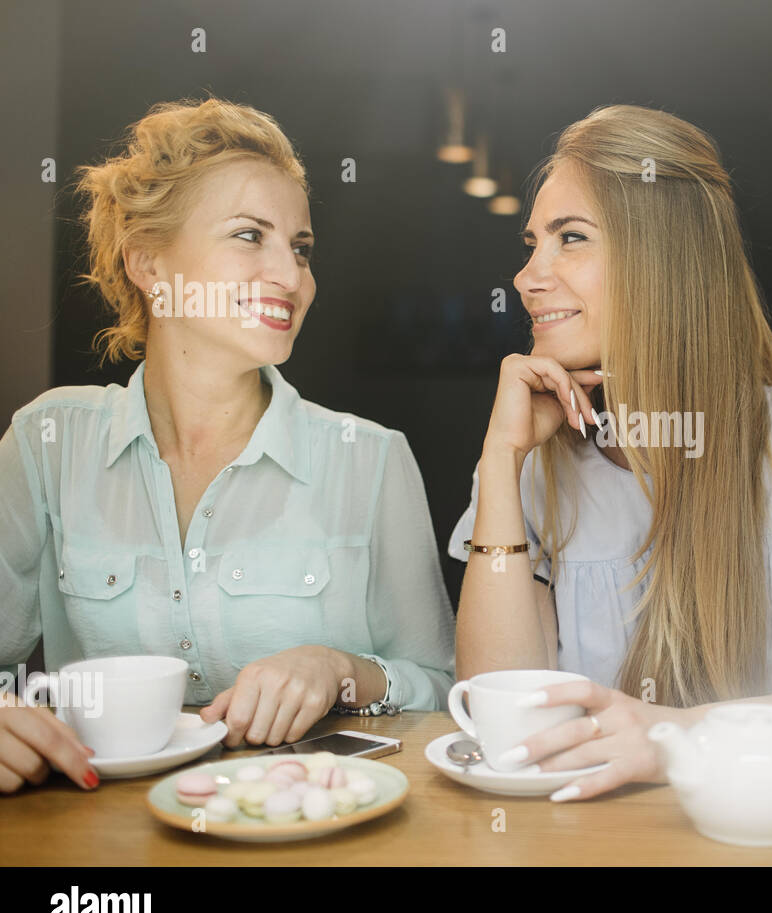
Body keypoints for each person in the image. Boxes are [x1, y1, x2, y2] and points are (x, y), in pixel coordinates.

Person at [450, 104, 772, 801]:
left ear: (664, 259)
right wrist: (500, 461)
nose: (528, 275)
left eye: (571, 238)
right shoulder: (531, 469)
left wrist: (676, 738)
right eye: (533, 244)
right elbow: (500, 718)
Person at [0, 98, 454, 795]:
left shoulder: (371, 457)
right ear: (150, 264)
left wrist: (340, 668)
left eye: (300, 248)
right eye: (250, 236)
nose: (292, 276)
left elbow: (442, 689)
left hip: (315, 835)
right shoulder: (46, 445)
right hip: (102, 849)